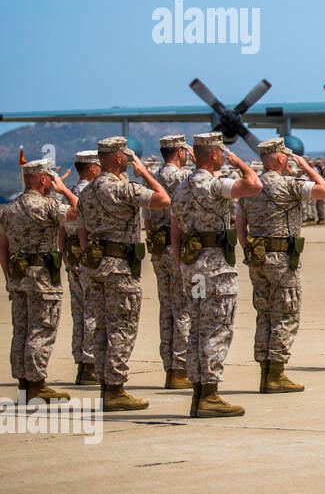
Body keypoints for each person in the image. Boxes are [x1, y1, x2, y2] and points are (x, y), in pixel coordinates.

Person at [171, 133, 263, 417]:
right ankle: (209, 394)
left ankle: (199, 392)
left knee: (197, 328)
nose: (225, 157)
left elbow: (174, 230)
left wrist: (180, 264)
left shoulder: (181, 187)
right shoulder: (213, 184)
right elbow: (254, 185)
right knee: (217, 328)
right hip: (216, 269)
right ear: (213, 155)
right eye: (223, 153)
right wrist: (241, 164)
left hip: (192, 267)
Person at [78, 137, 171, 410]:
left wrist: (92, 258)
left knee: (102, 327)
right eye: (127, 158)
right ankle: (116, 389)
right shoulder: (122, 189)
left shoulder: (87, 192)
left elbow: (82, 233)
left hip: (95, 266)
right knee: (122, 328)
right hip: (120, 268)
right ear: (119, 159)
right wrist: (145, 174)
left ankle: (107, 386)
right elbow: (163, 199)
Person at [236, 137, 325, 393]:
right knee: (285, 314)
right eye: (287, 157)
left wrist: (247, 248)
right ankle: (276, 373)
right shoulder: (288, 185)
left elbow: (239, 222)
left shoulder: (251, 186)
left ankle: (265, 372)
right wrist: (307, 168)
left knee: (264, 314)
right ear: (280, 158)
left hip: (256, 257)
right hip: (281, 260)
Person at [1, 159, 78, 402]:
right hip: (43, 280)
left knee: (21, 330)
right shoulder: (47, 206)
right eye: (51, 178)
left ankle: (24, 383)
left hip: (18, 277)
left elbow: (2, 246)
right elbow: (80, 213)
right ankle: (36, 385)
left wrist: (8, 276)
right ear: (44, 179)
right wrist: (65, 190)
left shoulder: (10, 209)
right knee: (41, 330)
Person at [147, 135, 193, 390]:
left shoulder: (153, 178)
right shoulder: (182, 179)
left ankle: (170, 368)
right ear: (179, 152)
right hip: (179, 247)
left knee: (166, 308)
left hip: (158, 246)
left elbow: (146, 216)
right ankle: (181, 367)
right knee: (183, 308)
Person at [66, 149, 101, 384]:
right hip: (85, 258)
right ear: (92, 169)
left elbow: (62, 229)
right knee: (91, 311)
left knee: (78, 311)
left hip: (72, 257)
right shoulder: (88, 194)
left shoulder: (69, 193)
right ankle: (89, 363)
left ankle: (81, 361)